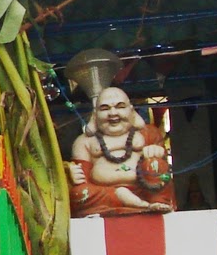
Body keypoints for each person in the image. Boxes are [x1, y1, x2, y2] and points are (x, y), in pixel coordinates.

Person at [67, 86, 174, 216]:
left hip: (144, 190)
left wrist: (156, 152)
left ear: (131, 111)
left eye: (120, 107)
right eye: (105, 108)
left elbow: (162, 165)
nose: (113, 113)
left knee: (156, 164)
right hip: (107, 195)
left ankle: (157, 202)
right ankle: (126, 200)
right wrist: (73, 173)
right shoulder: (84, 141)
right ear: (95, 115)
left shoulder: (148, 133)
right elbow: (82, 178)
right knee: (79, 193)